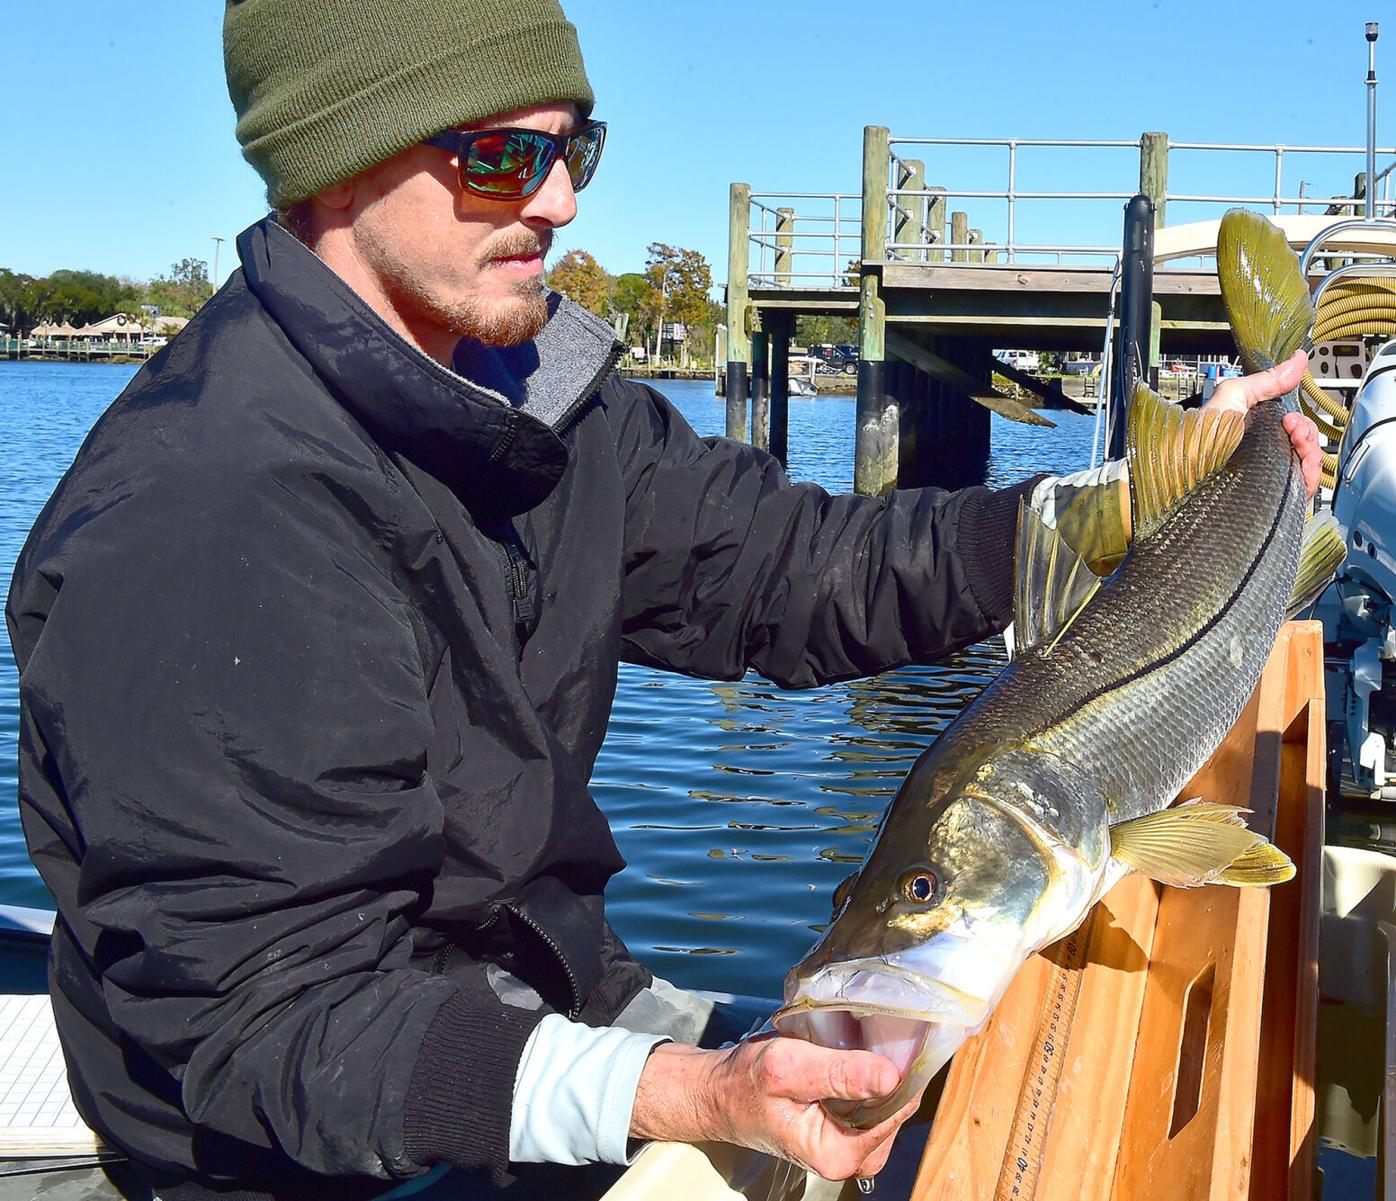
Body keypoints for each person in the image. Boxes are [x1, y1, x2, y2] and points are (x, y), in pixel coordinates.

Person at [6, 3, 1322, 1200]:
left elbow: (792, 569)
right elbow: (279, 1024)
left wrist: (1098, 517)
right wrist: (689, 1090)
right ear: (337, 164)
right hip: (292, 1158)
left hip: (552, 995)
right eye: (504, 159)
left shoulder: (534, 406)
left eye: (579, 147)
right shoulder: (201, 524)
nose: (566, 200)